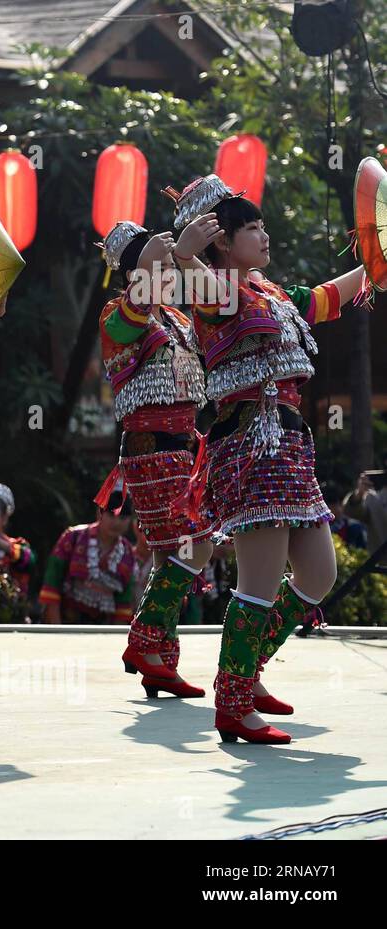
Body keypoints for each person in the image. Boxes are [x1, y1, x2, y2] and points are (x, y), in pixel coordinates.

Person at [173, 174, 366, 744]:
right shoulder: (215, 295)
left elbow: (329, 297)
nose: (264, 235)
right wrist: (184, 256)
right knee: (258, 579)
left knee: (318, 573)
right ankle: (230, 701)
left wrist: (377, 257)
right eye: (252, 228)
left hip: (290, 445)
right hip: (250, 446)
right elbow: (198, 281)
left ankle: (248, 673)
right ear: (223, 243)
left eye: (262, 225)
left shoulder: (275, 294)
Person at [96, 220, 218, 699]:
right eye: (156, 261)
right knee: (196, 546)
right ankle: (144, 642)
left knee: (173, 554)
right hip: (151, 450)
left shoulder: (177, 318)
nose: (167, 268)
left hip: (181, 449)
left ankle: (160, 665)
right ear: (134, 271)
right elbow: (131, 316)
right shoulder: (118, 315)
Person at [39, 492, 138, 624]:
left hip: (102, 632)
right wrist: (57, 631)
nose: (116, 522)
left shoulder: (128, 554)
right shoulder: (73, 538)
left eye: (123, 518)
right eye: (111, 515)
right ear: (100, 513)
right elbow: (52, 585)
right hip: (64, 623)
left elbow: (123, 604)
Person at [326, 483, 367, 550]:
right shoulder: (318, 529)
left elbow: (362, 550)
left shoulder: (354, 527)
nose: (338, 509)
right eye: (332, 506)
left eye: (340, 504)